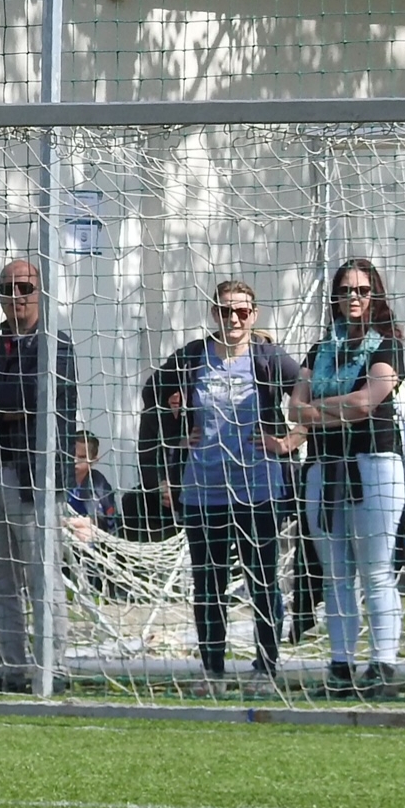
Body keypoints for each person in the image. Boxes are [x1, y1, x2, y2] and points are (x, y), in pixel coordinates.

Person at [141, 281, 303, 692]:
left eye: (242, 312)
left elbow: (310, 396)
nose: (234, 319)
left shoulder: (268, 359)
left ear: (255, 314)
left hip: (259, 490)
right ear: (214, 314)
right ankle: (212, 670)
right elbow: (152, 395)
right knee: (209, 585)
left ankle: (266, 668)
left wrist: (287, 441)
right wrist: (177, 432)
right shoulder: (193, 357)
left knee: (262, 582)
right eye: (226, 311)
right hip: (204, 489)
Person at [290, 258, 405, 697]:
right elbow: (293, 409)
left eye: (361, 290)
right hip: (324, 466)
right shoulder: (321, 348)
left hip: (374, 464)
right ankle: (341, 667)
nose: (352, 298)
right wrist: (331, 411)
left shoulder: (387, 344)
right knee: (335, 573)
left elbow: (366, 403)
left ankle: (382, 666)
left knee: (375, 569)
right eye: (344, 290)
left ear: (374, 294)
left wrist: (317, 412)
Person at [0, 258, 76, 694]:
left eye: (24, 287)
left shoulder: (56, 345)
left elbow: (33, 397)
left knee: (41, 576)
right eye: (8, 288)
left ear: (41, 292)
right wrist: (0, 399)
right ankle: (9, 666)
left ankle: (53, 668)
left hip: (33, 478)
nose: (16, 296)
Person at [66, 430, 119, 534]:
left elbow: (111, 523)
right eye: (72, 455)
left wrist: (92, 522)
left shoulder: (100, 485)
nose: (75, 461)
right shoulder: (57, 480)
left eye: (82, 457)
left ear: (94, 460)